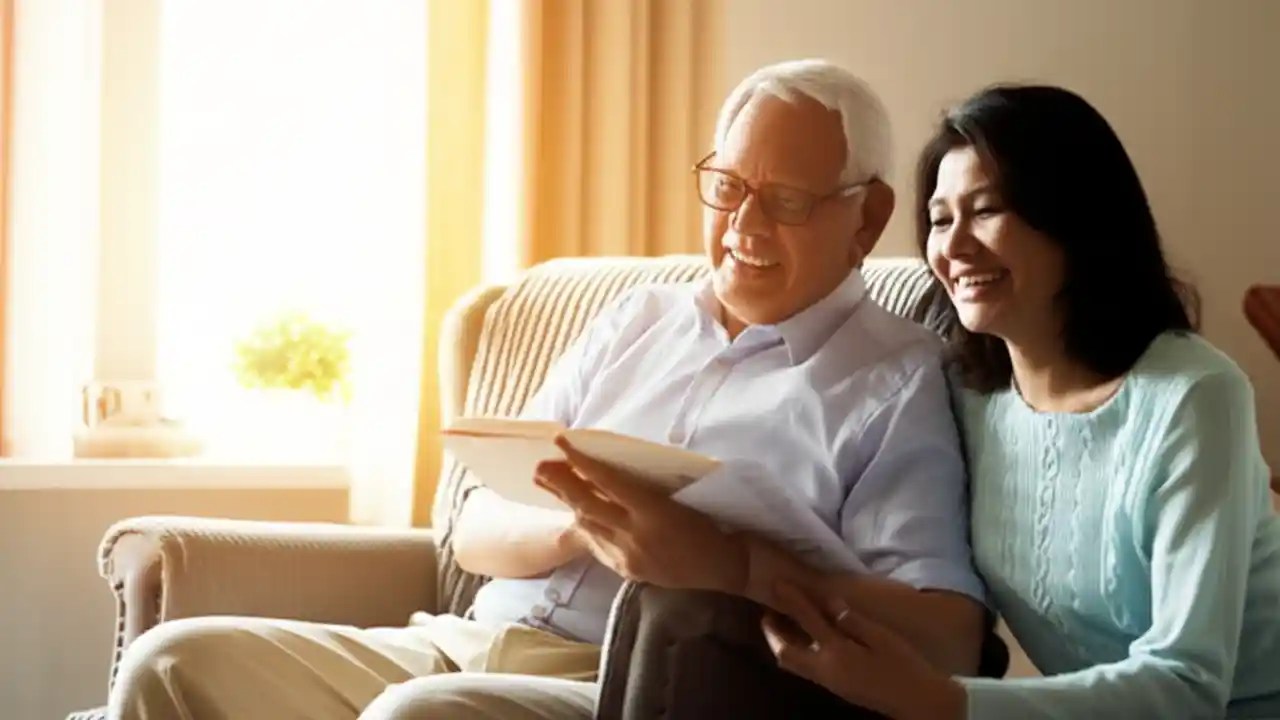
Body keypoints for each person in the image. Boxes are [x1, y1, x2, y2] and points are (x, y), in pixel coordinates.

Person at [106, 60, 986, 720]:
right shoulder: (636, 320)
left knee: (416, 719)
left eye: (788, 202)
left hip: (616, 676)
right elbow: (474, 528)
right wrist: (583, 523)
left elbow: (945, 632)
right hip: (458, 639)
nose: (744, 227)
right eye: (727, 188)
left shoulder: (896, 375)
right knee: (172, 663)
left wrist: (715, 558)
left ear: (865, 216)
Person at [758, 84, 1280, 720]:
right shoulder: (962, 395)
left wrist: (943, 702)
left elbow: (1190, 685)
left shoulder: (1193, 396)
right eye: (941, 219)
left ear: (1075, 219)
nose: (953, 248)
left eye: (986, 211)